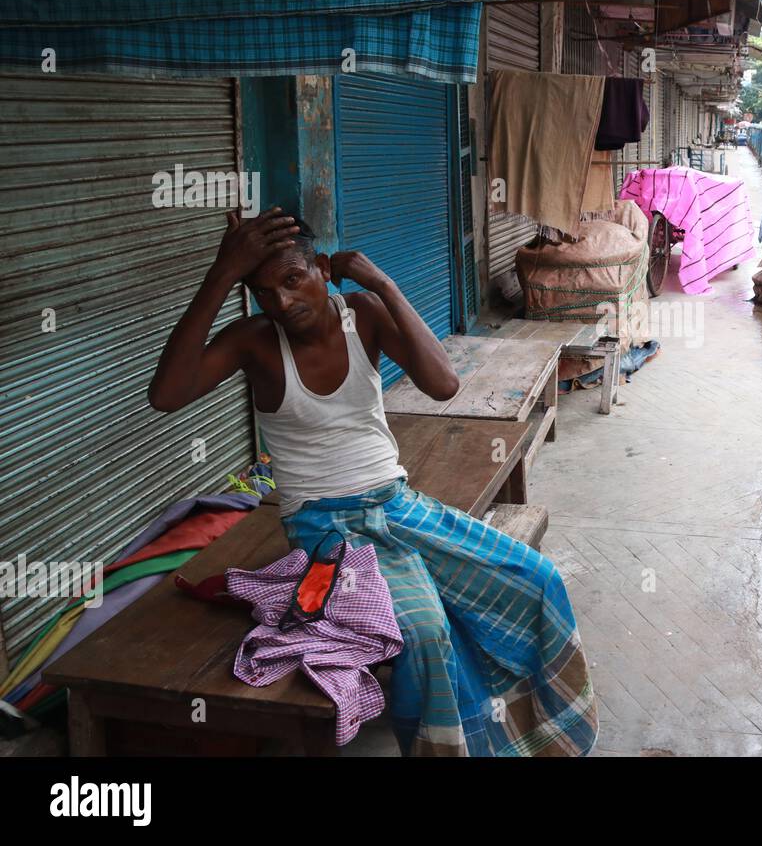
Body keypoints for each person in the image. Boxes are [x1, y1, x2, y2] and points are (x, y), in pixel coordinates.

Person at [149, 207, 597, 756]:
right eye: (263, 291)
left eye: (293, 280)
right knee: (426, 633)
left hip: (397, 504)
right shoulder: (253, 341)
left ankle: (542, 734)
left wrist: (381, 282)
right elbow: (166, 395)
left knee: (535, 578)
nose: (282, 302)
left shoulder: (361, 312)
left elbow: (442, 382)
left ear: (320, 267)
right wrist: (221, 274)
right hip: (326, 533)